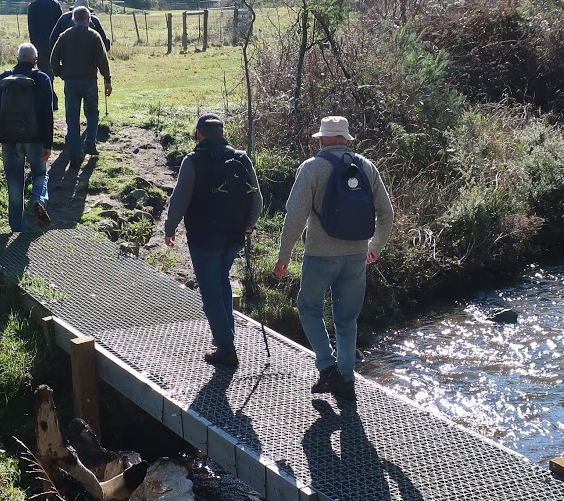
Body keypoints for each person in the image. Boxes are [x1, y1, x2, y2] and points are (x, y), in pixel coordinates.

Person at [273, 116, 394, 395]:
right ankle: (347, 378)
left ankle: (327, 368)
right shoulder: (366, 167)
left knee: (309, 309)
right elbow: (387, 214)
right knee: (347, 320)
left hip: (319, 256)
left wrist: (284, 255)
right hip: (357, 257)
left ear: (323, 139)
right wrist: (375, 247)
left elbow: (295, 218)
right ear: (346, 139)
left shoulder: (311, 169)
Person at [163, 112, 262, 367]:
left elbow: (179, 199)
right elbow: (257, 199)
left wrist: (170, 227)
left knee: (210, 293)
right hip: (234, 236)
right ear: (223, 134)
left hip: (204, 239)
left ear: (198, 134)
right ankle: (228, 338)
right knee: (222, 282)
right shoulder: (241, 158)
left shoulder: (193, 160)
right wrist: (248, 226)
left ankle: (226, 349)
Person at [0, 42, 55, 232]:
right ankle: (39, 200)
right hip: (35, 139)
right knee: (40, 175)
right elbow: (47, 114)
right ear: (35, 60)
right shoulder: (42, 78)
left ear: (17, 58)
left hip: (9, 140)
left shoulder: (4, 77)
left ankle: (17, 229)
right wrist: (48, 143)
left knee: (14, 184)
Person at [49, 4, 112, 169]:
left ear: (73, 19)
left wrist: (60, 73)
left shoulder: (64, 36)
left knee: (72, 117)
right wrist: (107, 79)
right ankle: (90, 141)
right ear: (89, 19)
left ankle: (75, 154)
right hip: (89, 80)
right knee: (92, 113)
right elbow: (102, 60)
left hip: (70, 81)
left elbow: (53, 58)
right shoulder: (94, 36)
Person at [46, 0, 110, 63]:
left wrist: (58, 58)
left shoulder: (64, 19)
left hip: (68, 62)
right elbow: (105, 42)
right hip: (89, 63)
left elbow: (53, 39)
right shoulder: (94, 21)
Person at [26, 0, 63, 64]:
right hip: (55, 41)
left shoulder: (32, 6)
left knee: (43, 68)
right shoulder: (55, 4)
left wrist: (33, 44)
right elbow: (61, 24)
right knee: (53, 65)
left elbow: (31, 27)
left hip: (40, 44)